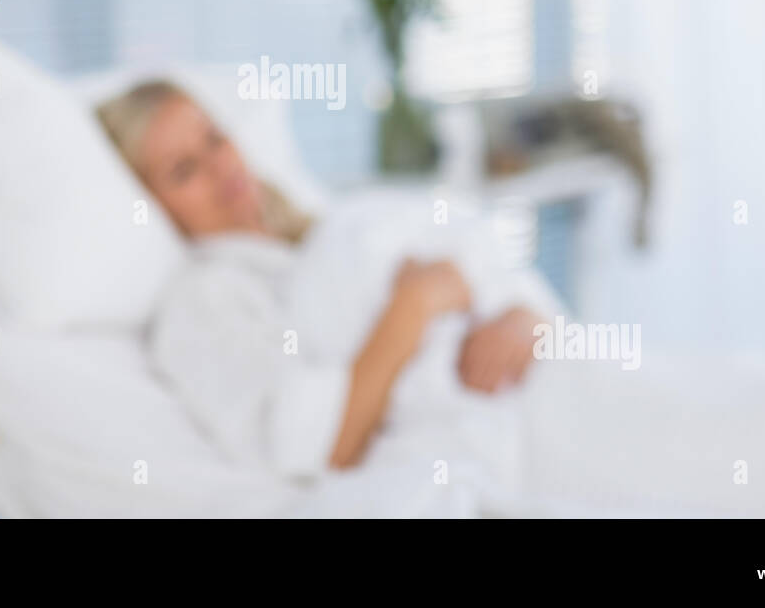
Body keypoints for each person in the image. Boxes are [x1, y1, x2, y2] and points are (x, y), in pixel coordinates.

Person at [97, 81, 555, 481]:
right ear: (150, 205)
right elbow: (328, 445)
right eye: (184, 170)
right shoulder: (203, 302)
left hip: (542, 376)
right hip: (495, 432)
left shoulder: (331, 227)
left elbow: (491, 269)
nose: (219, 166)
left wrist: (525, 317)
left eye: (215, 139)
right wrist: (414, 304)